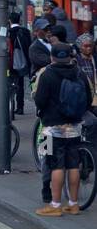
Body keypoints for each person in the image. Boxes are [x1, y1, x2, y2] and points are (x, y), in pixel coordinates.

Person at [33, 42, 93, 216]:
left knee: (54, 165)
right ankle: (73, 204)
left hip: (50, 127)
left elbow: (39, 101)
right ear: (70, 56)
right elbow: (88, 99)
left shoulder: (47, 74)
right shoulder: (79, 73)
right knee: (73, 165)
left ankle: (55, 204)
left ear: (52, 56)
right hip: (75, 125)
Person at [8, 11, 33, 116]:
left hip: (9, 64)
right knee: (20, 85)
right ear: (20, 20)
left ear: (9, 20)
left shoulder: (9, 32)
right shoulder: (26, 31)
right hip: (22, 63)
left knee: (9, 84)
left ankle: (11, 106)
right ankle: (20, 107)